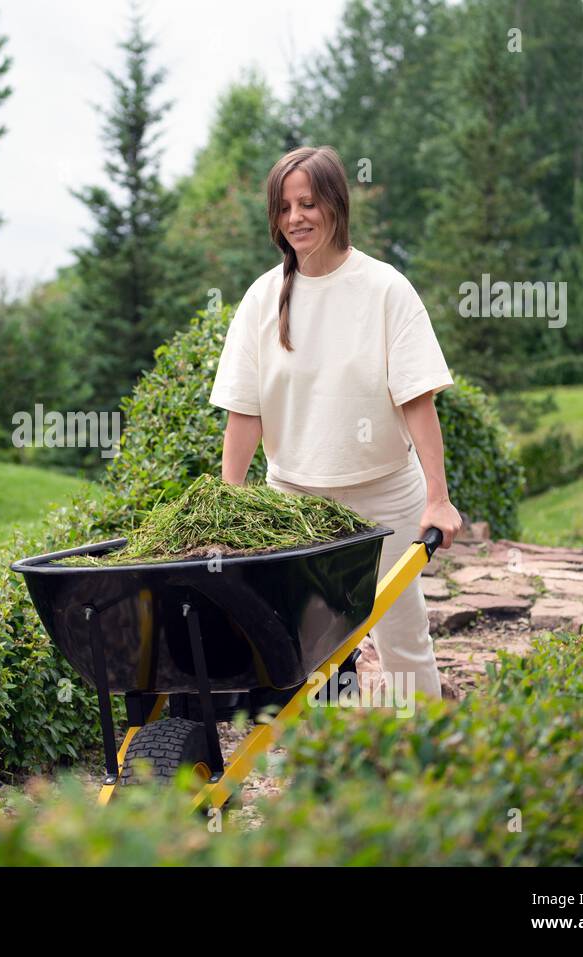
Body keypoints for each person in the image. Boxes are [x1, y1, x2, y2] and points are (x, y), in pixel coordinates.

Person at [209, 145, 463, 700]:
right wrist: (229, 502)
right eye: (283, 207)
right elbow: (244, 409)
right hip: (297, 503)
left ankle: (421, 756)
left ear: (335, 205)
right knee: (315, 645)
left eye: (307, 203)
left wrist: (437, 497)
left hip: (386, 498)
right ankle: (331, 761)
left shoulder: (385, 289)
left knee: (402, 636)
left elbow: (417, 400)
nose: (295, 217)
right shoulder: (260, 300)